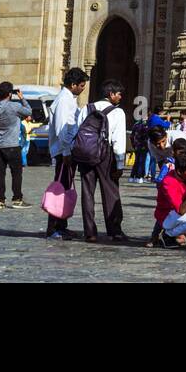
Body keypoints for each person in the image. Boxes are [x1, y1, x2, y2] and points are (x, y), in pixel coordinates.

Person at [76, 78, 129, 243]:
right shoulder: (118, 112)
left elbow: (78, 130)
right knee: (110, 192)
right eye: (119, 94)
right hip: (106, 155)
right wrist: (120, 164)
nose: (120, 97)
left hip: (86, 153)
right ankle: (114, 231)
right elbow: (119, 141)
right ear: (111, 94)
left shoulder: (86, 108)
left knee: (87, 193)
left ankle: (90, 232)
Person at [45, 67, 88, 239]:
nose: (83, 88)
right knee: (60, 189)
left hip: (66, 151)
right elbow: (62, 128)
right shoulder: (64, 100)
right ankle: (53, 228)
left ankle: (61, 226)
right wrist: (66, 152)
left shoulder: (69, 98)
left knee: (64, 188)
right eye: (82, 85)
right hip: (64, 152)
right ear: (73, 84)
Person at [0, 81, 34, 209]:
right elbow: (28, 111)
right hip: (12, 145)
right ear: (10, 93)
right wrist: (22, 98)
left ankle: (0, 200)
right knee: (16, 173)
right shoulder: (15, 106)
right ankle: (17, 199)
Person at [129, 118, 151, 184]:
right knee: (142, 161)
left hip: (136, 145)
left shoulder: (135, 124)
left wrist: (133, 145)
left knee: (137, 161)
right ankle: (139, 177)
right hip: (143, 145)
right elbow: (146, 136)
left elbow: (131, 136)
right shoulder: (145, 125)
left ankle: (132, 176)